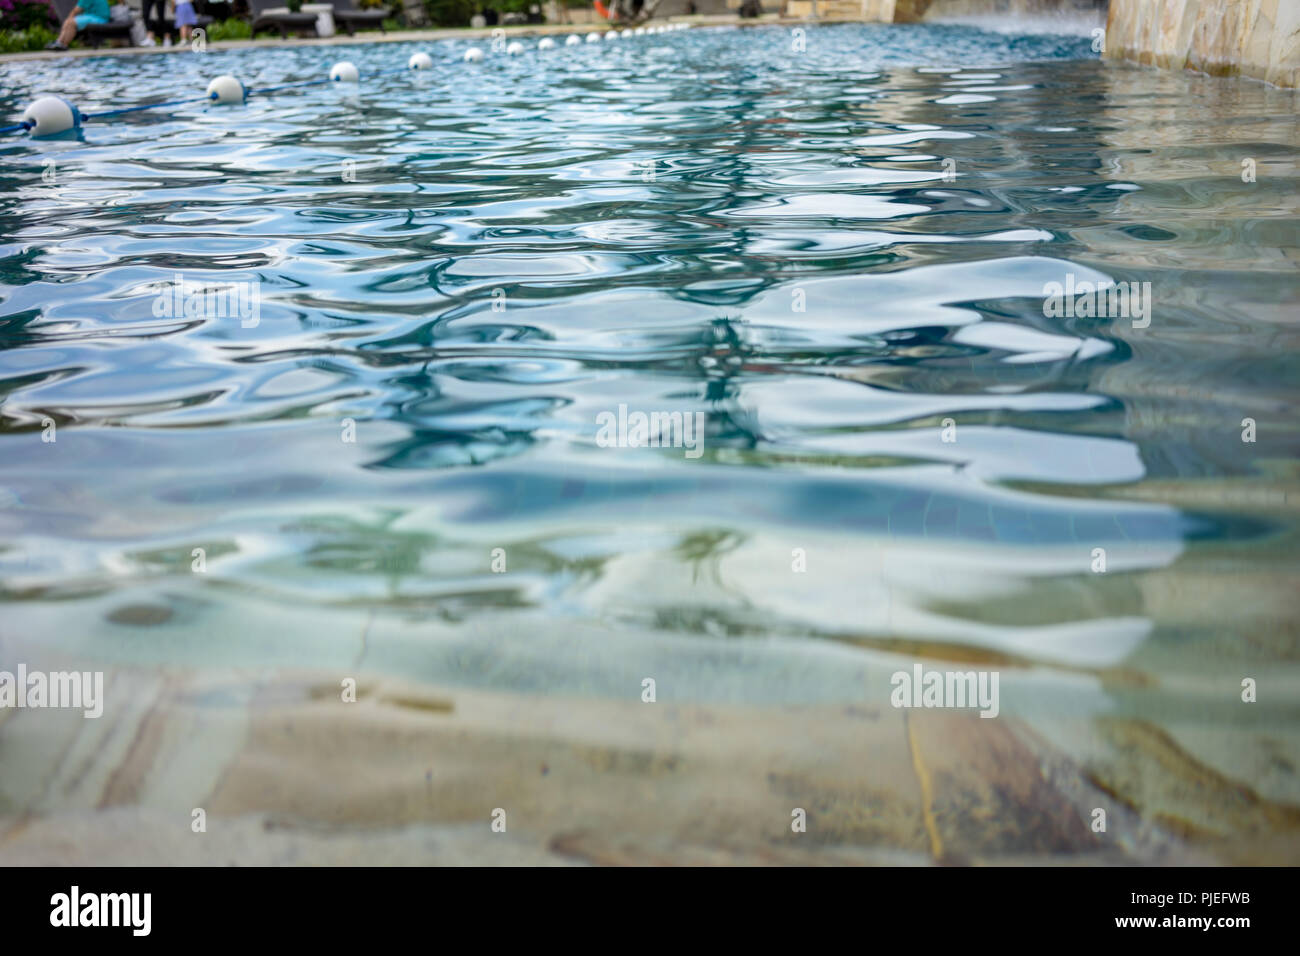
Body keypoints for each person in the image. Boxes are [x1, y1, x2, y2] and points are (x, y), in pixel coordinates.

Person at [45, 0, 112, 50]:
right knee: (70, 22)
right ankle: (59, 42)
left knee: (71, 22)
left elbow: (76, 10)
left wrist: (68, 20)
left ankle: (62, 44)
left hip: (100, 19)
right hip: (97, 17)